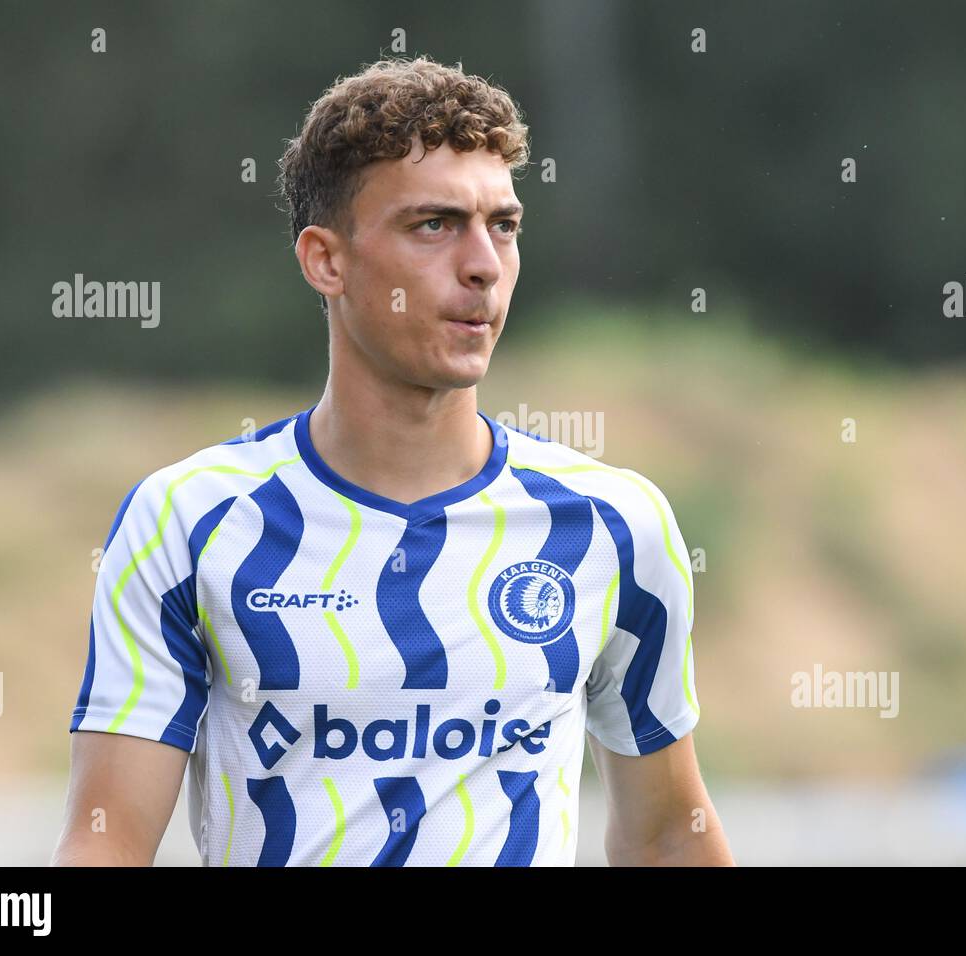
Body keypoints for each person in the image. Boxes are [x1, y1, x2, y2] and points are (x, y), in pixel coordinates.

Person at [53, 55, 733, 866]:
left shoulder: (615, 524)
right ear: (326, 261)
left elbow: (667, 834)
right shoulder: (190, 519)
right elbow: (108, 846)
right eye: (435, 225)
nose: (483, 264)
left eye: (504, 226)